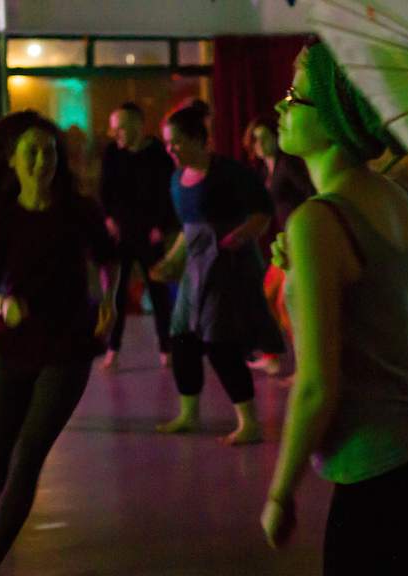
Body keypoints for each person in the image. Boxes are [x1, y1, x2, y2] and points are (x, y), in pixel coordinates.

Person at [260, 41, 408, 575]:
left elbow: (316, 386)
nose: (281, 107)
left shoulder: (317, 222)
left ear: (336, 120)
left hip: (385, 472)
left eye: (297, 96)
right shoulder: (397, 199)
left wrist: (281, 493)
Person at [0, 111, 119, 575]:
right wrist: (3, 304)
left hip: (69, 345)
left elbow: (110, 258)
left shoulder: (79, 208)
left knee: (29, 452)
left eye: (49, 151)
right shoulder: (2, 218)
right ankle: (5, 520)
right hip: (15, 343)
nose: (42, 160)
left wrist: (109, 301)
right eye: (31, 151)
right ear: (12, 161)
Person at [150, 102, 283, 446]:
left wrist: (239, 235)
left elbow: (262, 212)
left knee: (218, 341)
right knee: (181, 337)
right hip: (196, 267)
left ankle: (249, 420)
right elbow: (188, 229)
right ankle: (188, 413)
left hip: (227, 266)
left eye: (176, 141)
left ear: (198, 139)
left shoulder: (230, 172)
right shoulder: (176, 180)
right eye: (167, 143)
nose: (171, 149)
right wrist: (172, 259)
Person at [99, 102, 177, 371]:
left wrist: (161, 226)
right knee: (117, 294)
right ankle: (113, 348)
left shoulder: (158, 154)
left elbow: (169, 194)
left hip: (149, 234)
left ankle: (166, 347)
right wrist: (109, 218)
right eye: (114, 129)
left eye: (120, 128)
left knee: (158, 292)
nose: (116, 134)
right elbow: (105, 191)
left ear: (136, 126)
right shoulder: (112, 154)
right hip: (121, 234)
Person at [242, 114, 316, 376]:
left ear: (276, 137)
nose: (261, 143)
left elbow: (310, 194)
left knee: (288, 305)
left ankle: (303, 368)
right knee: (268, 297)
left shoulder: (288, 166)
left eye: (265, 137)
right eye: (256, 139)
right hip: (284, 242)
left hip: (298, 240)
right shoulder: (264, 170)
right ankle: (273, 355)